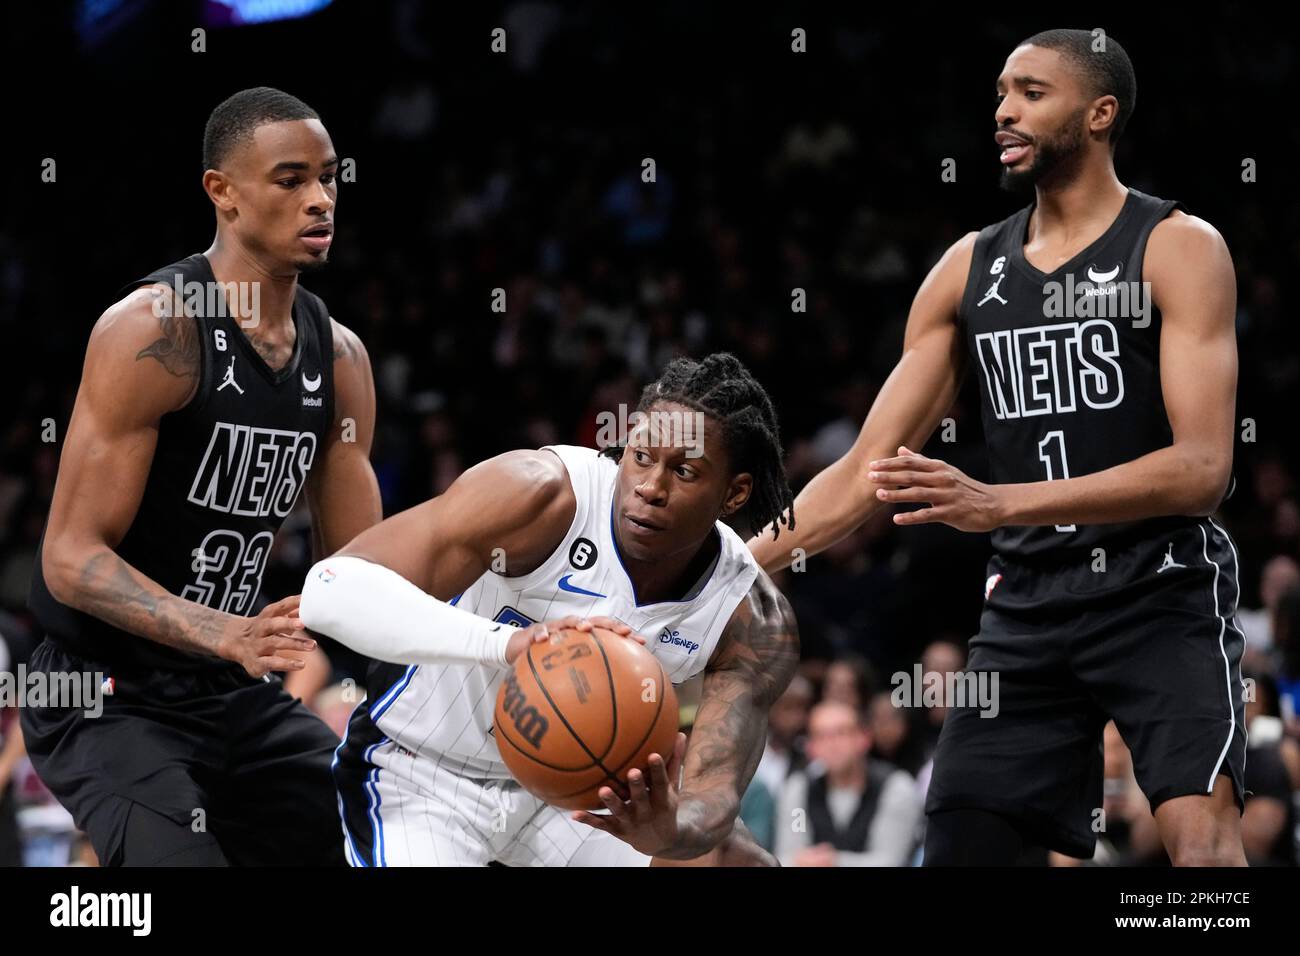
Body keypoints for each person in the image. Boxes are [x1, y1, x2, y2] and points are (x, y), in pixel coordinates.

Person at [751, 29, 1246, 865]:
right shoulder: (966, 269)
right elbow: (867, 469)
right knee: (962, 847)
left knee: (1203, 857)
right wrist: (725, 566)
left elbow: (1202, 471)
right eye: (999, 95)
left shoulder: (1177, 247)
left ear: (1099, 113)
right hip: (1026, 606)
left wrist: (1000, 503)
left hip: (1159, 586)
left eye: (1030, 92)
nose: (1003, 113)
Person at [21, 87, 382, 866]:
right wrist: (227, 631)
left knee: (376, 830)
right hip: (102, 693)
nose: (320, 199)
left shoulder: (341, 358)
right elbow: (71, 558)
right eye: (290, 180)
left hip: (226, 688)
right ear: (222, 191)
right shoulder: (155, 331)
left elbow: (367, 569)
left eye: (329, 177)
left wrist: (492, 642)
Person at [300, 353, 800, 866]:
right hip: (424, 772)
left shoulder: (750, 618)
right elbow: (329, 588)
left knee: (737, 860)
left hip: (576, 799)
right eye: (642, 457)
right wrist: (508, 644)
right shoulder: (541, 494)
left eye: (686, 471)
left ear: (734, 493)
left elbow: (713, 796)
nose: (651, 488)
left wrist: (669, 830)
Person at [774, 700, 923, 866]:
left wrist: (833, 861)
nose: (832, 744)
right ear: (811, 747)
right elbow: (790, 854)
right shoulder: (799, 789)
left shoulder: (895, 787)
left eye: (841, 733)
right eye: (821, 735)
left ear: (864, 738)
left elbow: (890, 861)